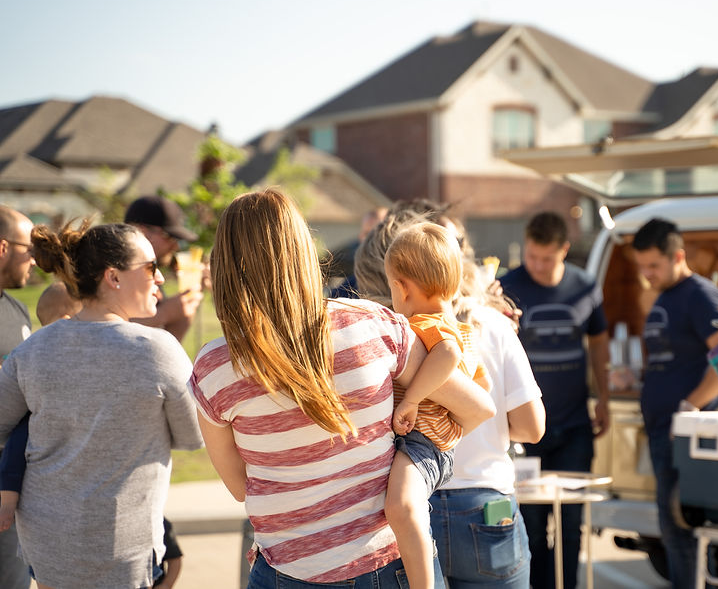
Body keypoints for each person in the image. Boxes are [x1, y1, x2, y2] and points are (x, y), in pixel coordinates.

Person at [188, 189, 494, 588]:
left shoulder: (213, 367)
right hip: (384, 566)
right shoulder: (371, 326)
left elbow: (239, 486)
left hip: (285, 569)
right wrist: (418, 457)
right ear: (303, 252)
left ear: (225, 265)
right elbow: (477, 408)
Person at [0, 219, 203, 589]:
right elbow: (193, 434)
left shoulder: (32, 350)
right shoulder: (158, 350)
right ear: (113, 277)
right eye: (150, 267)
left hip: (46, 543)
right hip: (123, 545)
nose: (160, 278)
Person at [354, 204, 545, 587]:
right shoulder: (490, 325)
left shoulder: (391, 335)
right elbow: (532, 427)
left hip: (417, 493)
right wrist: (465, 421)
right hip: (486, 502)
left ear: (399, 285)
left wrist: (413, 401)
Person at [499, 211, 609, 589]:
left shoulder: (585, 286)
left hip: (574, 425)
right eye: (531, 256)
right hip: (523, 430)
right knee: (529, 525)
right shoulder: (506, 287)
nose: (537, 265)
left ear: (564, 249)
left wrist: (604, 397)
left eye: (546, 258)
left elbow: (598, 342)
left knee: (570, 526)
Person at [382, 221, 491, 589]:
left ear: (401, 288)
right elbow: (483, 387)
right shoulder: (463, 329)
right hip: (431, 441)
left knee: (401, 506)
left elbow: (447, 354)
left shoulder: (425, 325)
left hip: (422, 442)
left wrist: (412, 399)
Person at [631, 217, 718, 588]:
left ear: (678, 256)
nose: (647, 274)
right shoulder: (666, 295)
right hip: (665, 434)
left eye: (654, 266)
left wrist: (689, 408)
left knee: (684, 532)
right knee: (674, 533)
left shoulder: (701, 295)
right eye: (642, 266)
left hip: (687, 438)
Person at [0, 282, 80, 533]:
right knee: (22, 433)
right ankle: (7, 495)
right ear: (65, 322)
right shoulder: (47, 357)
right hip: (36, 433)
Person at [0, 205, 35, 589]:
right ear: (3, 247)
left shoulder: (18, 311)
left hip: (8, 481)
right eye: (29, 249)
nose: (35, 260)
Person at [125, 195, 203, 341]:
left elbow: (167, 343)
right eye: (169, 236)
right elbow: (109, 330)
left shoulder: (152, 276)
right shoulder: (116, 273)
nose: (176, 246)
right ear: (142, 232)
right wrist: (166, 313)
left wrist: (185, 308)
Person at [329, 206, 388, 298]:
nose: (363, 238)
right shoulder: (350, 286)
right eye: (364, 232)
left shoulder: (399, 279)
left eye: (369, 233)